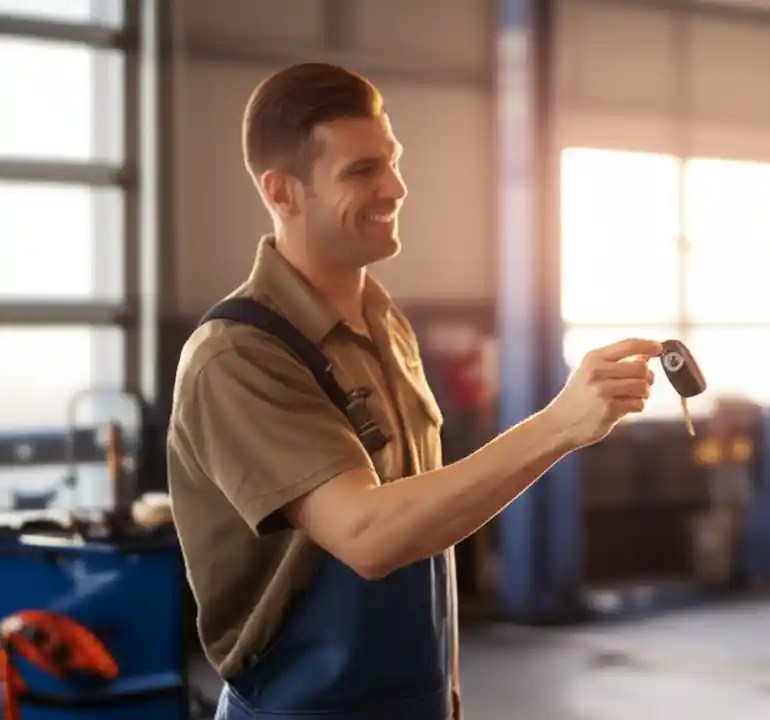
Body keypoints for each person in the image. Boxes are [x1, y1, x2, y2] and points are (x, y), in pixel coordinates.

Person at [166, 62, 663, 720]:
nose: (395, 187)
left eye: (392, 161)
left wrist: (447, 688)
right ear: (282, 192)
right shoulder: (240, 355)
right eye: (361, 171)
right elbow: (368, 536)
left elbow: (429, 525)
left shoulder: (384, 322)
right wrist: (560, 425)